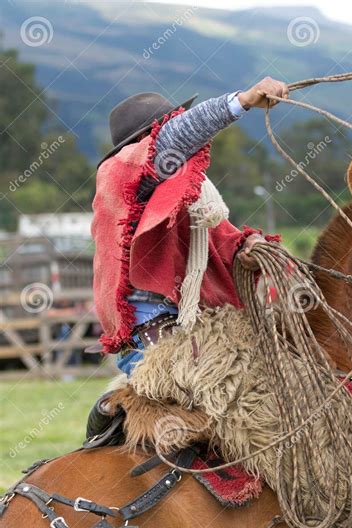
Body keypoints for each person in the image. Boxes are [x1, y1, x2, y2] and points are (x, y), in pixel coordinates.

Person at [86, 77, 289, 439]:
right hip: (159, 336)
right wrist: (242, 100)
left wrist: (249, 247)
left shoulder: (188, 194)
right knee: (254, 410)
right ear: (143, 144)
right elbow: (172, 140)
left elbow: (222, 240)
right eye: (167, 127)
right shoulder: (123, 173)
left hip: (193, 326)